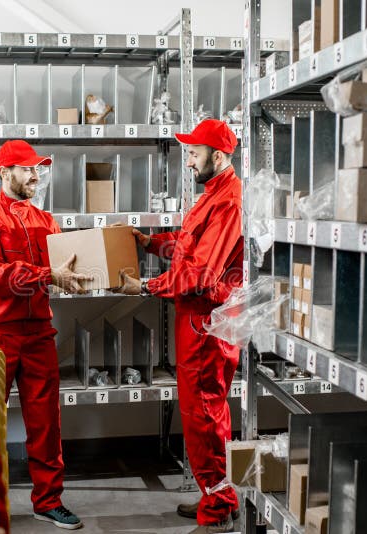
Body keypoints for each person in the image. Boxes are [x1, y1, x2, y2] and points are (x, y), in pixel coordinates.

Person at [114, 119, 244, 534]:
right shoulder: (212, 196)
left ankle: (217, 512)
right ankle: (217, 495)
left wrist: (147, 285)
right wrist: (150, 242)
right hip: (196, 321)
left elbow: (202, 275)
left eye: (193, 153)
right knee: (200, 415)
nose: (188, 161)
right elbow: (189, 250)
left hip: (208, 324)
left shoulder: (228, 202)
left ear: (217, 155)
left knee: (204, 416)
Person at [0, 140, 90, 530]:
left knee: (46, 424)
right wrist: (45, 275)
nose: (36, 175)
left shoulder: (45, 219)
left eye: (39, 168)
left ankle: (48, 501)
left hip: (38, 333)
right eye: (27, 168)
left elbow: (59, 267)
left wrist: (75, 275)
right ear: (5, 173)